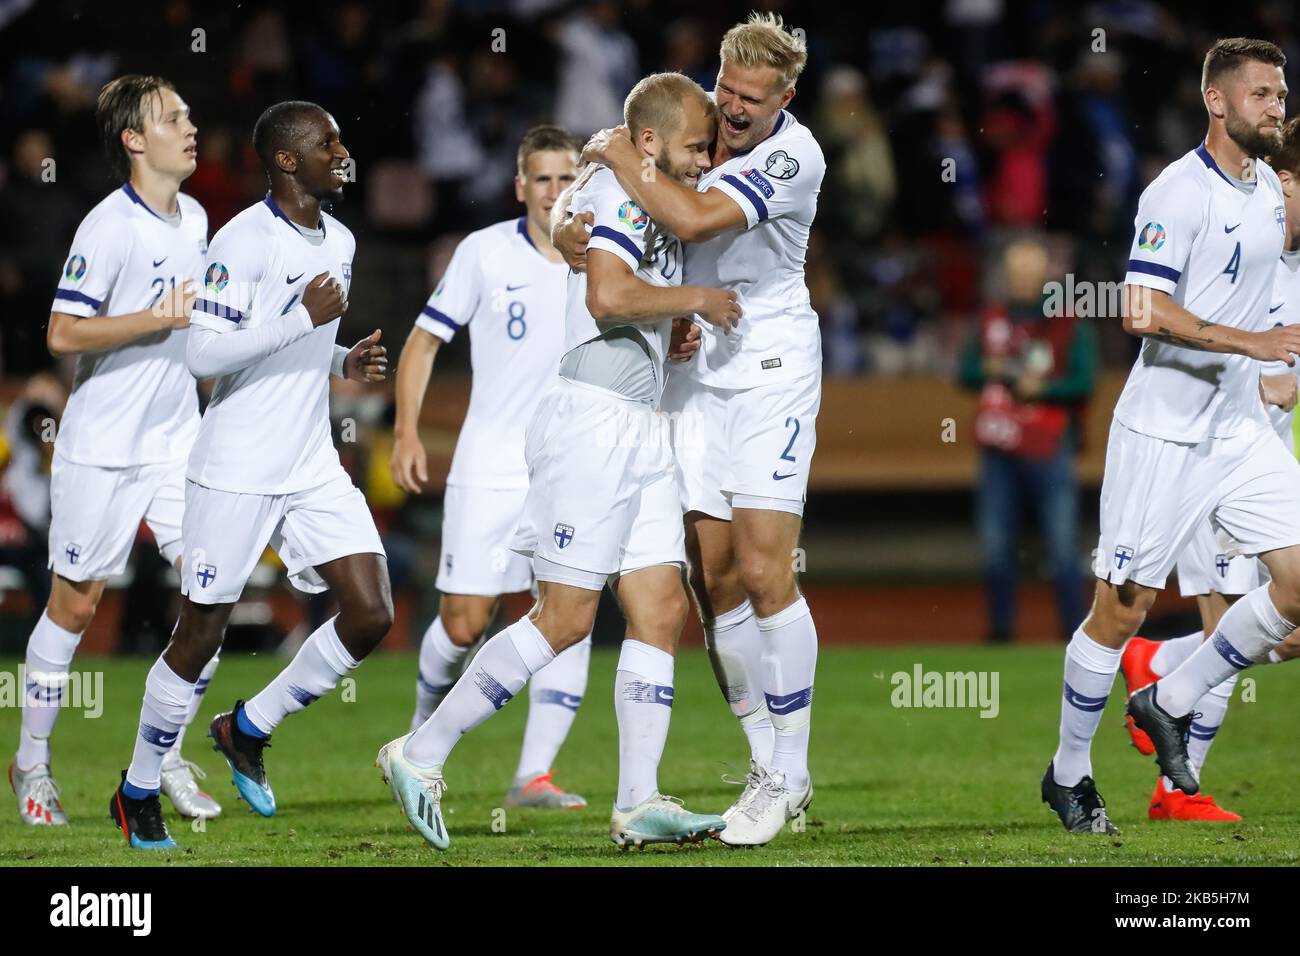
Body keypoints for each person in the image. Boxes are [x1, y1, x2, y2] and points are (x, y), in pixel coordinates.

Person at [377, 71, 739, 851]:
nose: (706, 159)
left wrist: (666, 329)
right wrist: (694, 304)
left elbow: (617, 288)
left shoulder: (642, 194)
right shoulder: (614, 191)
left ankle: (638, 799)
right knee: (565, 619)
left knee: (660, 606)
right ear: (649, 142)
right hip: (592, 425)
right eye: (694, 145)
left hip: (640, 423)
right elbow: (607, 296)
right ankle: (420, 751)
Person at [560, 13, 825, 847]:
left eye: (753, 98)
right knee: (712, 585)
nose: (735, 111)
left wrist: (617, 157)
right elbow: (592, 237)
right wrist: (581, 219)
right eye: (727, 91)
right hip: (696, 372)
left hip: (772, 369)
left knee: (763, 568)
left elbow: (695, 221)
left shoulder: (795, 154)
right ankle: (765, 764)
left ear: (787, 96)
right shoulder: (697, 128)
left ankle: (790, 765)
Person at [109, 100, 392, 849]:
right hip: (234, 467)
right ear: (287, 160)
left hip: (308, 462)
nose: (342, 151)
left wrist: (339, 360)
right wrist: (303, 322)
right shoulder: (244, 240)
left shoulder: (343, 239)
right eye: (327, 142)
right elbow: (203, 354)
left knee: (371, 613)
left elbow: (286, 350)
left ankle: (248, 726)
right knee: (201, 632)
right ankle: (137, 789)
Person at [1040, 37, 1300, 832]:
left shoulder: (1266, 192)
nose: (1276, 106)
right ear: (1216, 101)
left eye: (1281, 93)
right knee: (1119, 612)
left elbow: (1271, 289)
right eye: (1260, 93)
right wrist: (1250, 344)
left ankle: (1170, 697)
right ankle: (1069, 773)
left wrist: (1271, 352)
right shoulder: (1176, 193)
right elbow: (1141, 310)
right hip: (1163, 432)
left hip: (1239, 431)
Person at [11, 74, 224, 827]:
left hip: (175, 441)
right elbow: (63, 333)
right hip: (102, 444)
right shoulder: (107, 226)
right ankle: (32, 762)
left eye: (188, 112)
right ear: (135, 140)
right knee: (76, 605)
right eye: (173, 117)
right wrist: (151, 318)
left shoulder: (197, 217)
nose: (190, 125)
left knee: (212, 589)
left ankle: (160, 758)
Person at [391, 125, 591, 810]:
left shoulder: (607, 256)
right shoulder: (483, 252)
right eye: (542, 179)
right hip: (491, 461)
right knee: (463, 622)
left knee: (570, 608)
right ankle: (417, 740)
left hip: (570, 465)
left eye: (567, 178)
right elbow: (421, 343)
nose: (555, 191)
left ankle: (532, 776)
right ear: (520, 188)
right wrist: (407, 431)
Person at [1118, 114, 1300, 822]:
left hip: (1264, 458)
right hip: (1206, 451)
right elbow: (1165, 324)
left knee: (1278, 620)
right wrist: (1254, 377)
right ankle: (1176, 791)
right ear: (1283, 181)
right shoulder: (1230, 243)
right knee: (1227, 609)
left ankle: (1160, 666)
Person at [957, 237, 1097, 644]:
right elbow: (965, 372)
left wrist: (1044, 389)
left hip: (1049, 445)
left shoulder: (1068, 321)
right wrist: (991, 369)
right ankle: (1001, 633)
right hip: (999, 446)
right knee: (997, 545)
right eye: (1016, 272)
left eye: (1029, 272)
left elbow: (1084, 381)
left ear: (1044, 275)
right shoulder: (991, 318)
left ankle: (1074, 635)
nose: (1022, 280)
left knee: (1062, 546)